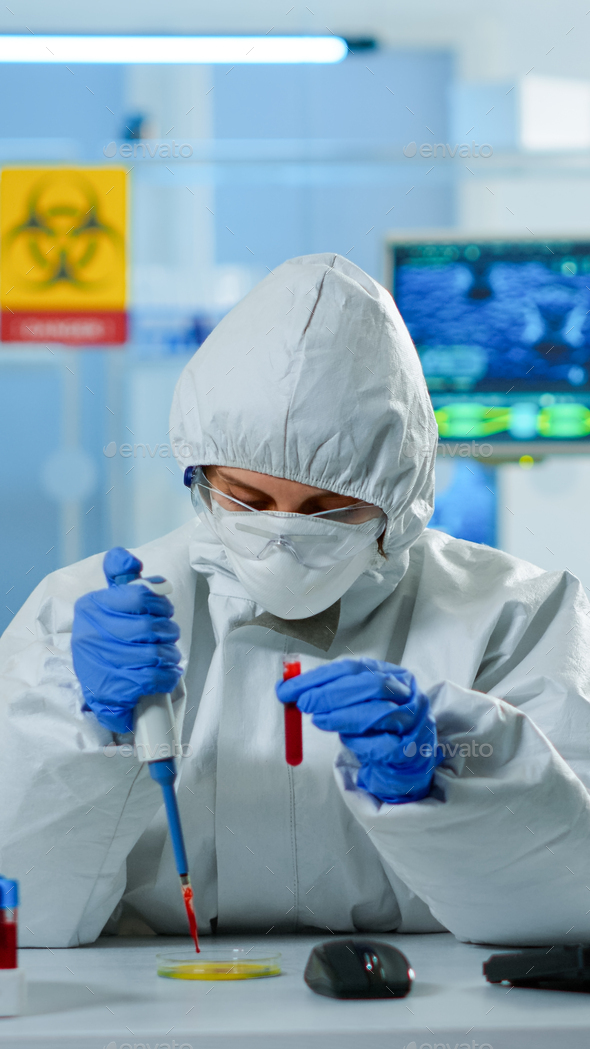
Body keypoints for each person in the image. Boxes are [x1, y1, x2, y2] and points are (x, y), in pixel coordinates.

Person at [1, 252, 590, 950]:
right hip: (147, 1004)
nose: (283, 537)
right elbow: (22, 913)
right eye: (248, 500)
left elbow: (569, 905)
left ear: (397, 499)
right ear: (198, 470)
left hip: (437, 1006)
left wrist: (448, 779)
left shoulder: (515, 614)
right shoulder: (87, 612)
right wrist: (80, 732)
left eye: (326, 509)